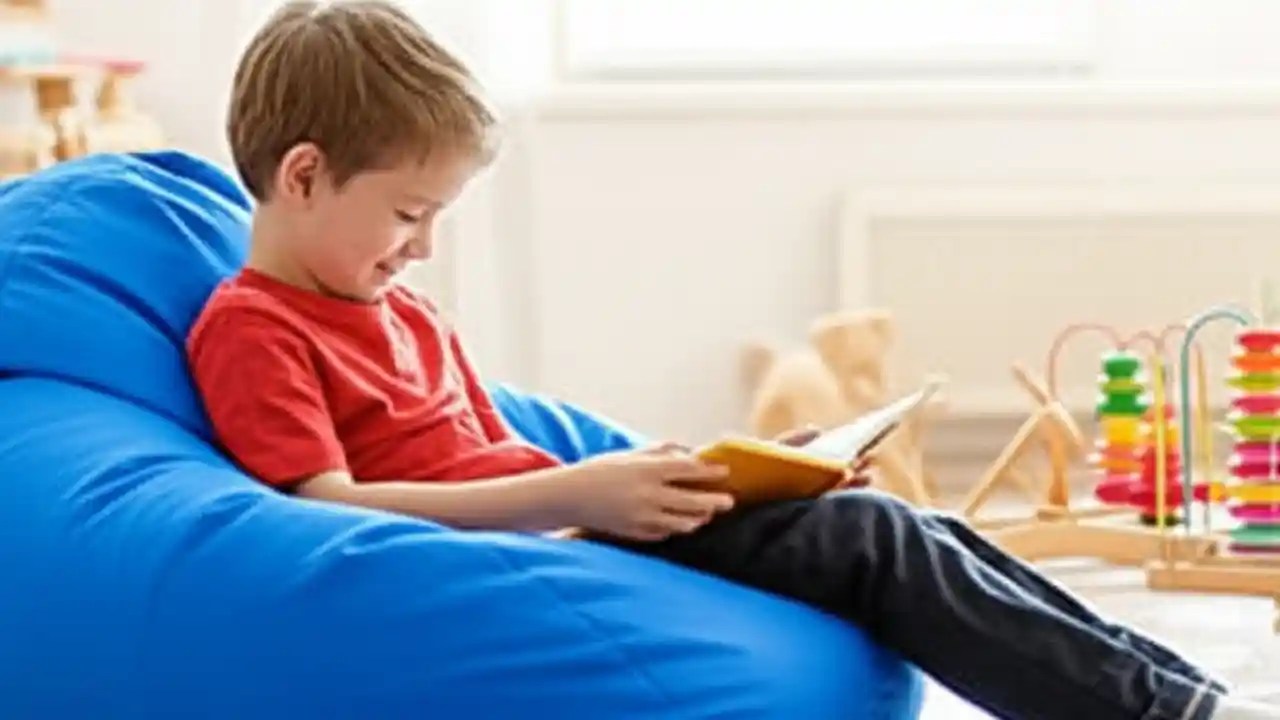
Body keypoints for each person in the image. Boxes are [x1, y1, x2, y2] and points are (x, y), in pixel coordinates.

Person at [187, 3, 1276, 718]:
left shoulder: (402, 313)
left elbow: (492, 450)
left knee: (914, 524)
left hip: (568, 527)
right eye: (408, 214)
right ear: (303, 176)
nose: (422, 247)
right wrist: (578, 496)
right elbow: (323, 510)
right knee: (875, 540)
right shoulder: (254, 329)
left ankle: (1178, 693)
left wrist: (734, 473)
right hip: (526, 558)